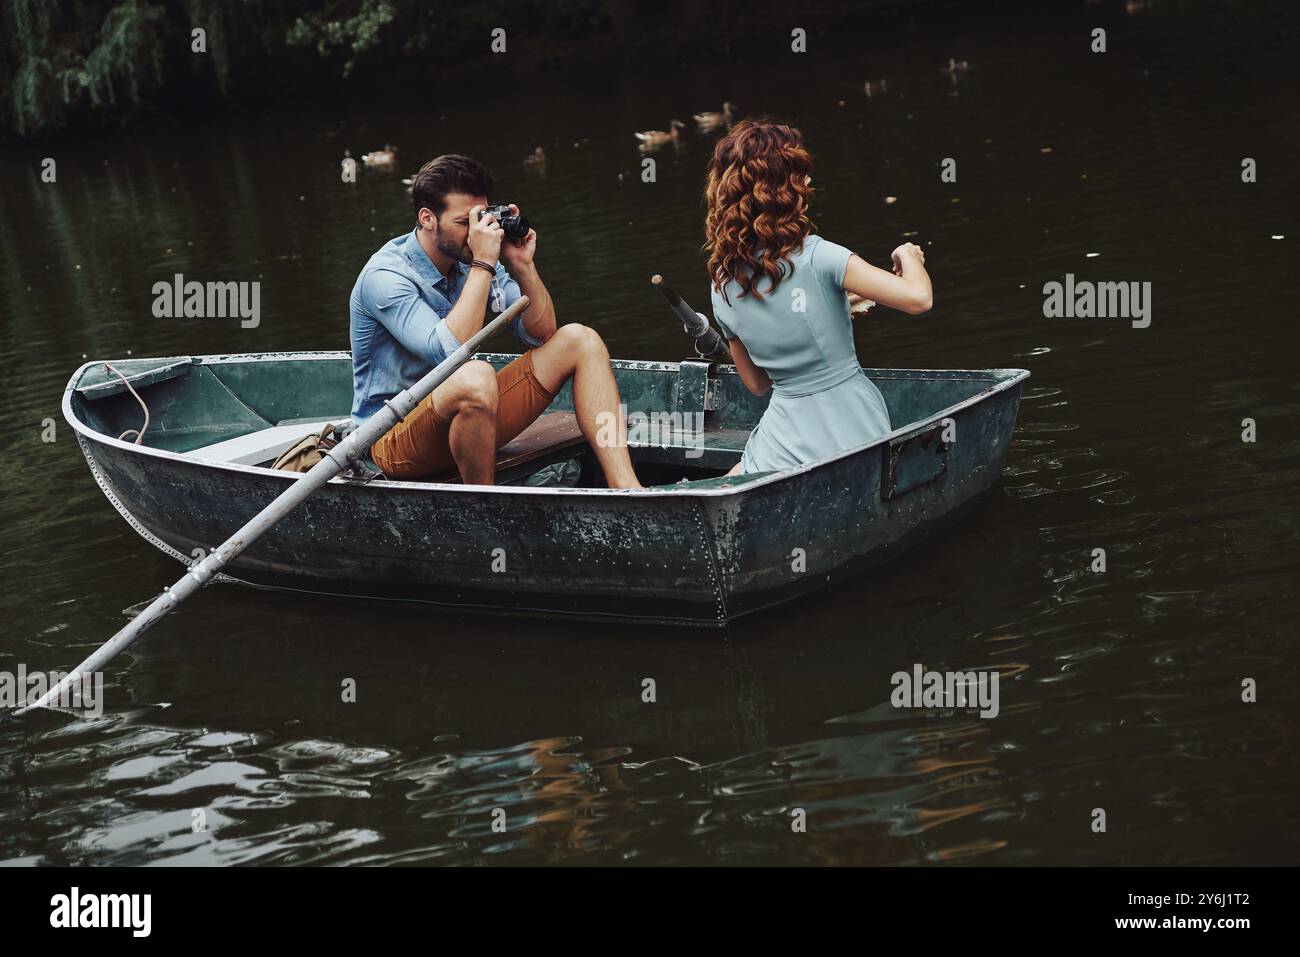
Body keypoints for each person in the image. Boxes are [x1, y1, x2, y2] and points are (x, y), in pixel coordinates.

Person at [349, 154, 641, 487]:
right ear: (428, 218)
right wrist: (484, 263)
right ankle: (484, 506)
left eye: (481, 218)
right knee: (475, 375)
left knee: (580, 340)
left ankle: (627, 488)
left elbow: (541, 333)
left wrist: (522, 266)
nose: (476, 232)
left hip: (470, 420)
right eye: (464, 222)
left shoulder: (471, 257)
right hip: (393, 439)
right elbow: (449, 353)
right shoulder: (385, 276)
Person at [704, 119, 934, 475]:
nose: (808, 183)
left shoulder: (722, 283)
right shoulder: (820, 256)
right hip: (850, 427)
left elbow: (757, 383)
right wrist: (908, 256)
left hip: (781, 441)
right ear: (779, 188)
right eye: (799, 175)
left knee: (737, 477)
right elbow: (919, 298)